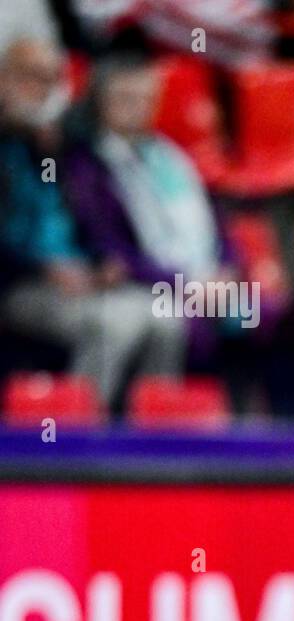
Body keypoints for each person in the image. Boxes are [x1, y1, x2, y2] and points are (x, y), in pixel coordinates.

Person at [0, 37, 180, 409]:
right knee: (114, 323)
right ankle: (79, 440)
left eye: (53, 79)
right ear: (4, 80)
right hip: (20, 284)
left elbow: (95, 223)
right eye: (32, 78)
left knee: (167, 317)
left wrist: (103, 263)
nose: (45, 90)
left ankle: (153, 446)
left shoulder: (68, 148)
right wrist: (44, 268)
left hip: (81, 282)